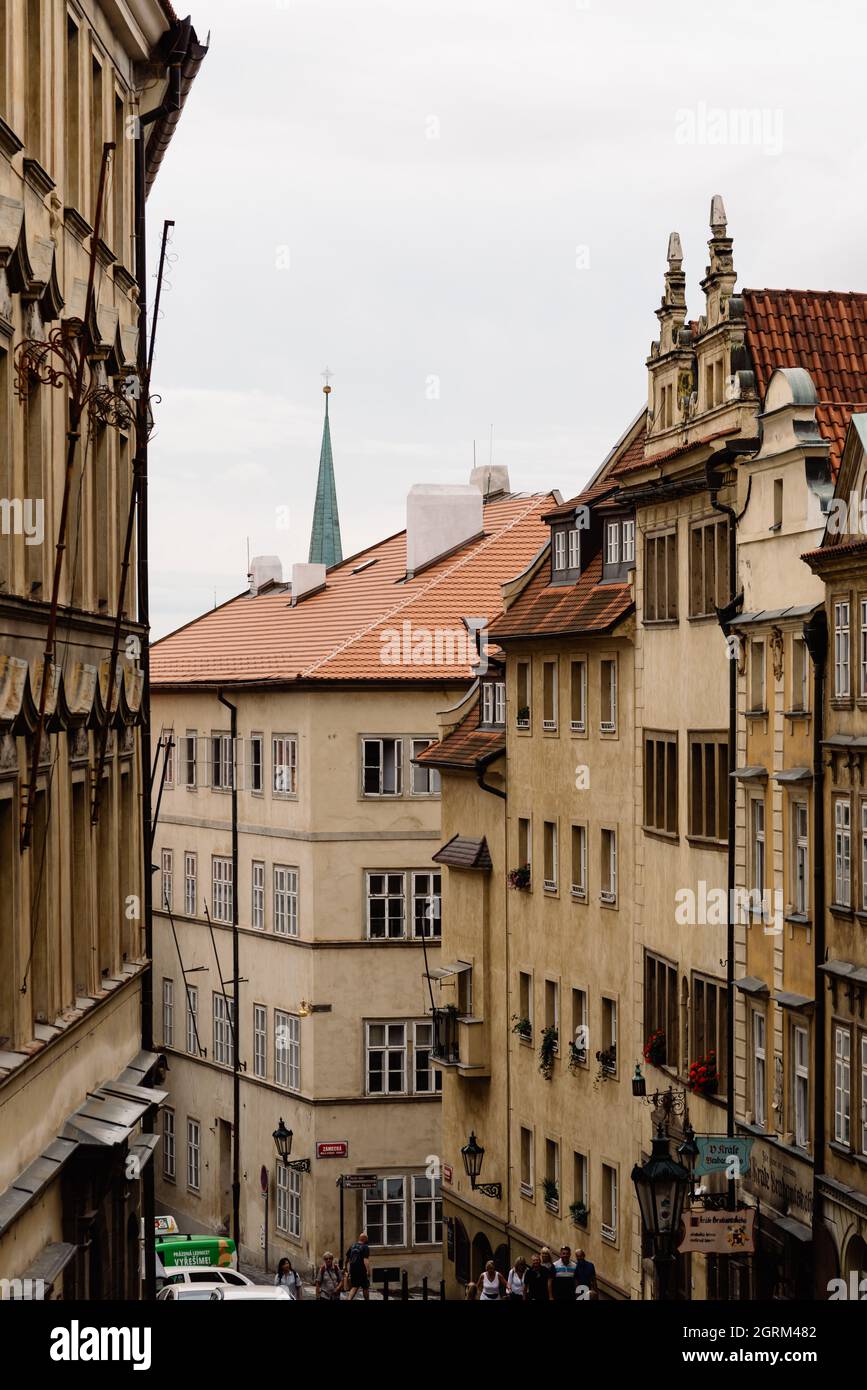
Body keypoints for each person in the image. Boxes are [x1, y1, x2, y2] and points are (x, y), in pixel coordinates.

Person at [344, 1231, 371, 1300]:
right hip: (361, 1271)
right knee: (365, 1287)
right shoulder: (365, 1247)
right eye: (367, 1239)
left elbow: (347, 1258)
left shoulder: (352, 1246)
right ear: (364, 1239)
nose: (368, 1240)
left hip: (353, 1270)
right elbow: (365, 1260)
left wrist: (345, 1266)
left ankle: (349, 1299)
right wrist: (368, 1271)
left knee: (354, 1286)